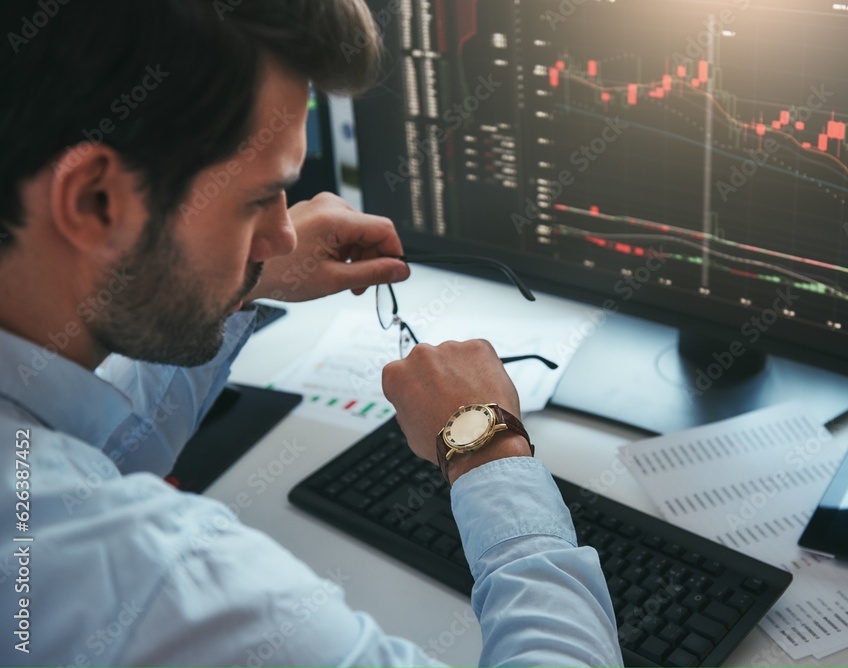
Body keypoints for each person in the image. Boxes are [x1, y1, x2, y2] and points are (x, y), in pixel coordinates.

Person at [0, 1, 623, 665]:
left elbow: (95, 456)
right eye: (255, 200)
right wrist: (482, 439)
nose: (282, 234)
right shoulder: (153, 582)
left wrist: (244, 272)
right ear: (96, 201)